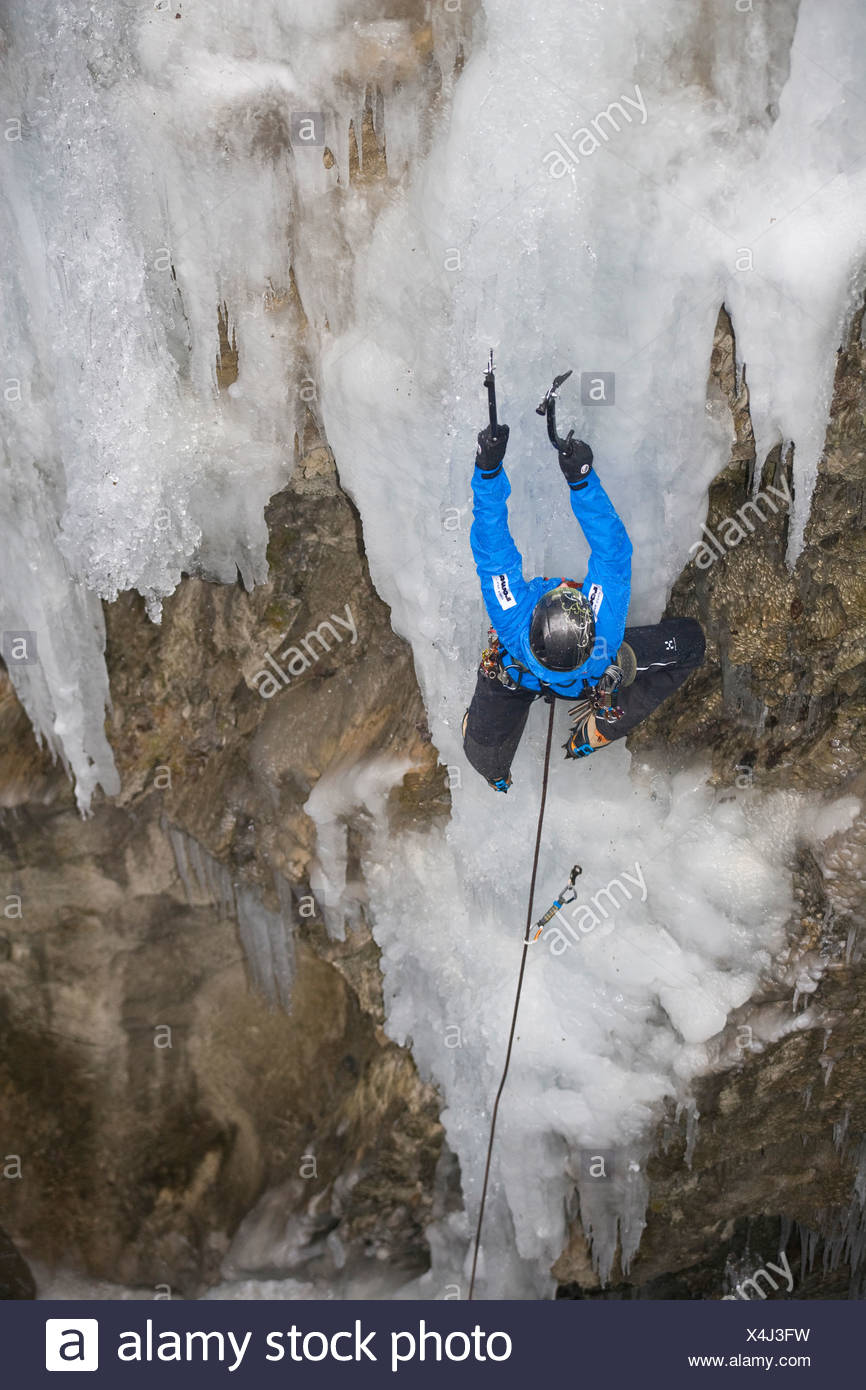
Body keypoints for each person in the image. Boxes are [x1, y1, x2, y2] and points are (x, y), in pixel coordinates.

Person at [462, 415, 705, 791]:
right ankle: (602, 725)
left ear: (539, 614)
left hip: (516, 673)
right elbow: (612, 553)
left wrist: (488, 471)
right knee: (691, 645)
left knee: (484, 759)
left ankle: (490, 746)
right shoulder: (603, 627)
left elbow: (493, 547)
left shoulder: (512, 617)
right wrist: (582, 478)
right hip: (590, 683)